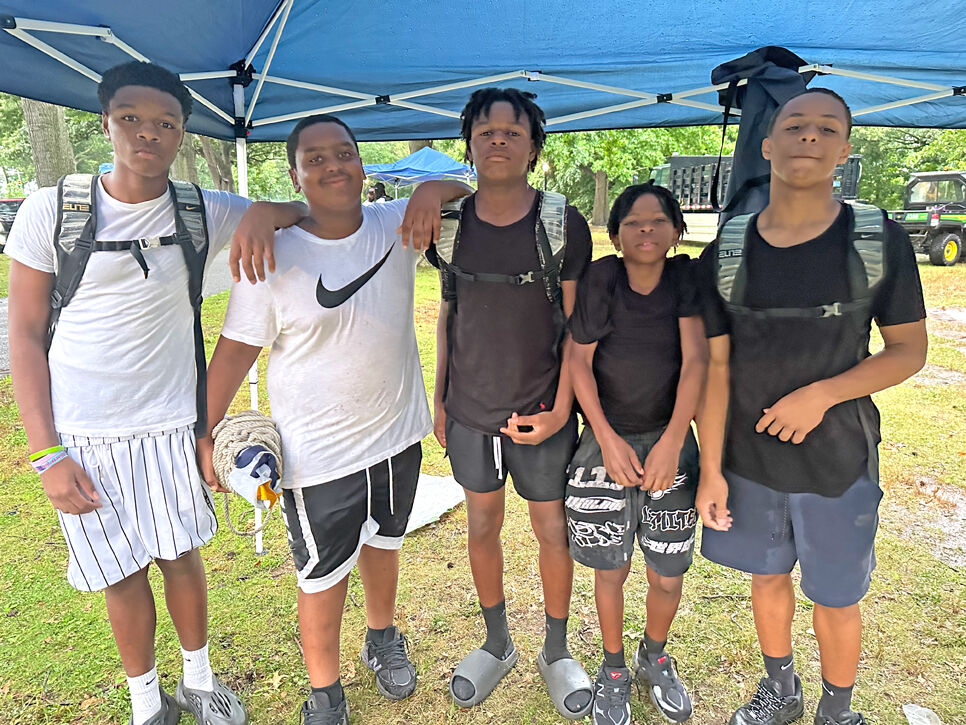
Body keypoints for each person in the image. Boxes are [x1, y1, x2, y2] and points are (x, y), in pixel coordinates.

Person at [6, 61, 305, 725]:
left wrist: (263, 210)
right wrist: (47, 454)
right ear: (106, 123)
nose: (150, 133)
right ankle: (149, 702)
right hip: (84, 436)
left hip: (173, 423)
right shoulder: (53, 212)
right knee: (121, 572)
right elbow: (24, 336)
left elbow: (305, 212)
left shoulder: (200, 211)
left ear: (180, 134)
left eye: (166, 123)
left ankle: (200, 683)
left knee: (181, 555)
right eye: (133, 119)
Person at [199, 113, 470, 725]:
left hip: (398, 435)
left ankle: (382, 638)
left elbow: (471, 188)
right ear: (295, 173)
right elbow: (237, 349)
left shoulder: (394, 224)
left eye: (343, 152)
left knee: (384, 543)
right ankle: (325, 693)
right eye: (314, 158)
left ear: (361, 161)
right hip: (315, 456)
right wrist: (203, 429)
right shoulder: (271, 252)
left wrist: (431, 188)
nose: (332, 166)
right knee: (322, 575)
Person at [696, 88, 928, 725]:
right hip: (748, 460)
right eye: (794, 125)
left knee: (835, 596)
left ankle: (837, 710)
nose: (809, 137)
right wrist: (711, 469)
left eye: (827, 128)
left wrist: (822, 395)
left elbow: (908, 351)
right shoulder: (730, 247)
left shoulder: (876, 237)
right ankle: (781, 691)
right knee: (766, 579)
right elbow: (715, 367)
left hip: (838, 460)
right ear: (766, 146)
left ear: (845, 150)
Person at [426, 87, 594, 719]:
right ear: (468, 144)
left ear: (533, 147)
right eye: (486, 131)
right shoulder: (449, 224)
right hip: (470, 411)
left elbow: (580, 333)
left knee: (553, 530)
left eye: (512, 132)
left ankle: (555, 649)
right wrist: (440, 400)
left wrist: (559, 410)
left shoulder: (561, 223)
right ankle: (497, 642)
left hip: (543, 413)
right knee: (482, 526)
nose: (498, 140)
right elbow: (447, 315)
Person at [566, 182, 707, 725]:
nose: (645, 230)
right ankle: (615, 667)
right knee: (611, 567)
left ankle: (655, 653)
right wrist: (604, 438)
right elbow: (579, 363)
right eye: (633, 222)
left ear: (675, 231)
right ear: (617, 232)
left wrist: (674, 441)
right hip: (605, 439)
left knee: (667, 571)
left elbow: (696, 362)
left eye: (657, 220)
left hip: (671, 443)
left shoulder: (684, 278)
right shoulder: (604, 277)